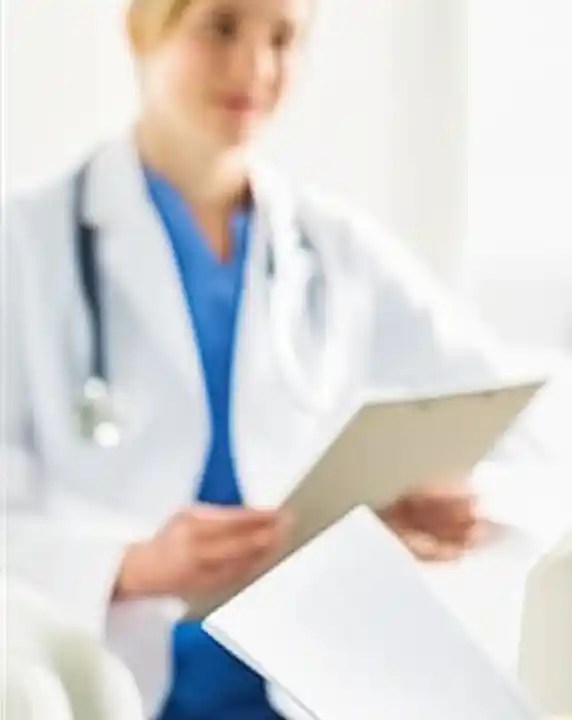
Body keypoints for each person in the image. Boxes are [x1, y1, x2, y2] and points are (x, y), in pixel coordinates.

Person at [2, 0, 518, 717]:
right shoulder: (24, 243)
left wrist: (443, 496)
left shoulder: (336, 250)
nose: (257, 67)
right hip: (113, 684)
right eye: (221, 27)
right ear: (143, 27)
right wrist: (127, 564)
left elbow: (508, 418)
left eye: (284, 38)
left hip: (307, 680)